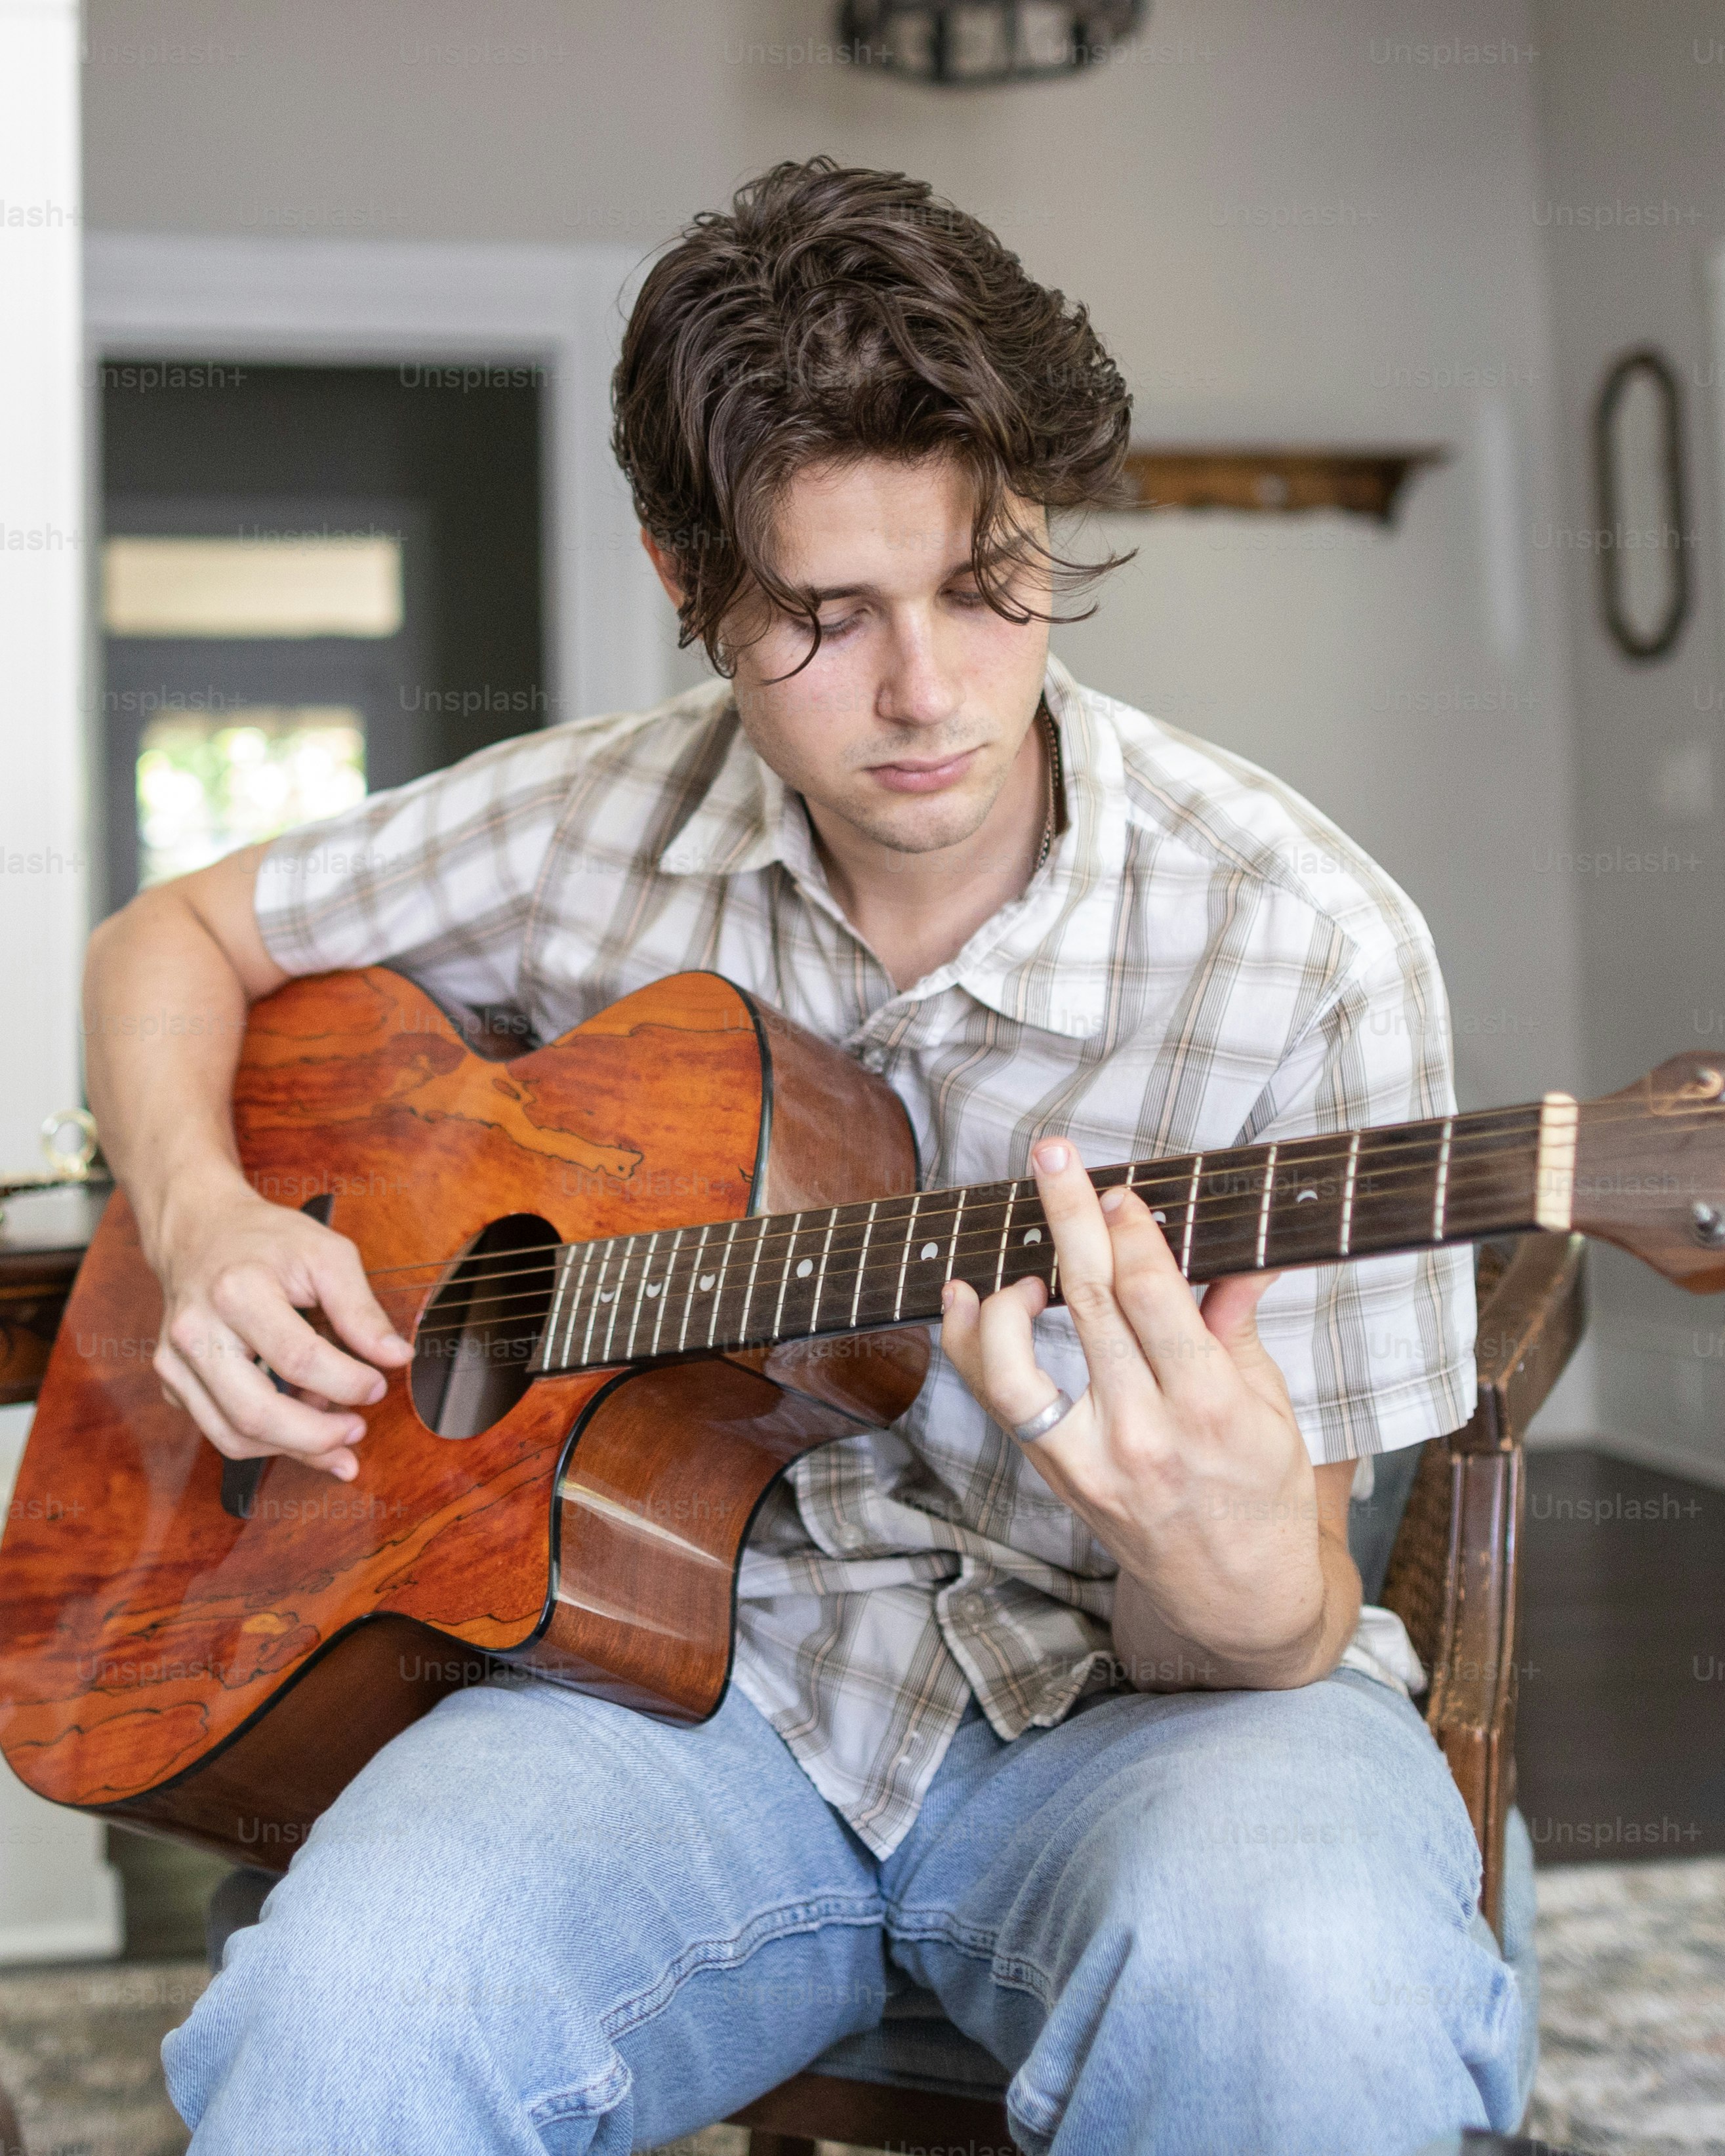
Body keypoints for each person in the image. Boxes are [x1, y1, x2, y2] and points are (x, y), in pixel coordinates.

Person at [85, 160, 1525, 2154]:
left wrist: (1213, 1561)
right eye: (827, 619)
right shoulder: (583, 823)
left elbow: (1257, 1639)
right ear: (696, 590)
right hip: (655, 1711)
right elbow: (170, 941)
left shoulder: (1308, 945)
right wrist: (206, 1211)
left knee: (1308, 1990)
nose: (928, 692)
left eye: (983, 581)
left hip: (1143, 1724)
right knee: (344, 2030)